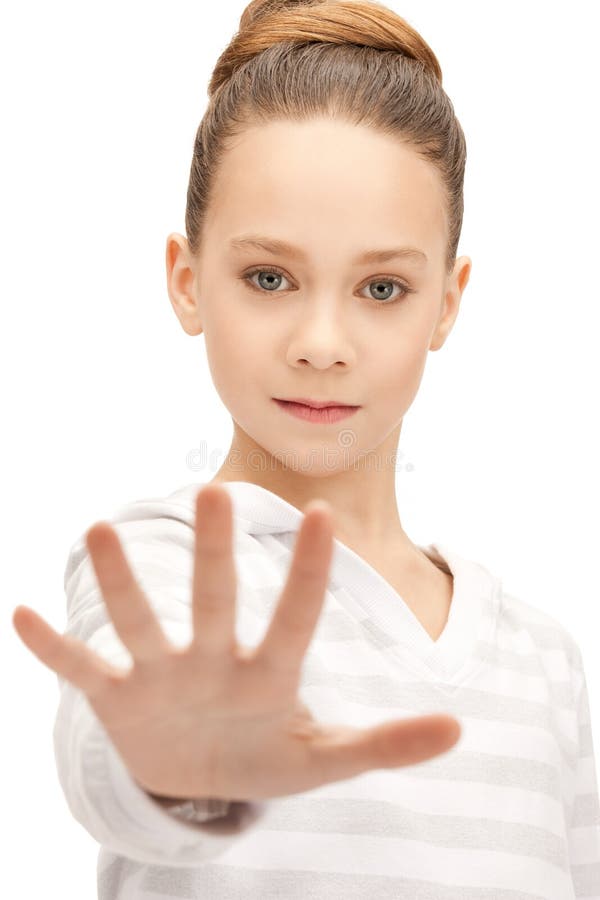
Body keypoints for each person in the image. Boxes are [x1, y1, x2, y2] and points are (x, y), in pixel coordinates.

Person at [12, 0, 600, 897]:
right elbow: (120, 757)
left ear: (447, 301)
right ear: (187, 280)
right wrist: (177, 768)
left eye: (382, 286)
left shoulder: (544, 659)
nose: (322, 341)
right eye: (269, 277)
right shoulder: (168, 565)